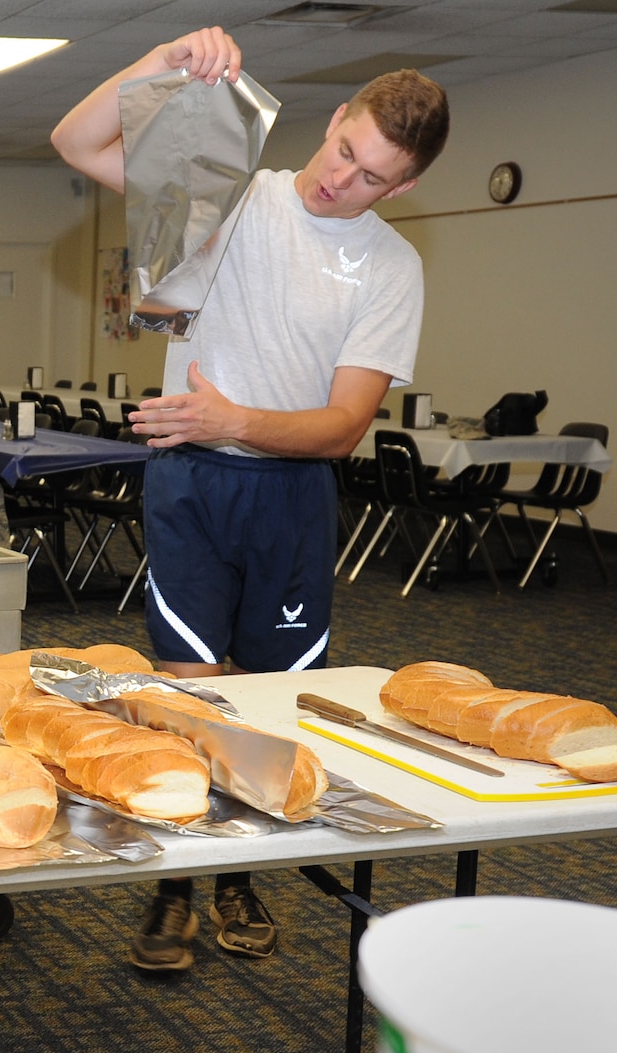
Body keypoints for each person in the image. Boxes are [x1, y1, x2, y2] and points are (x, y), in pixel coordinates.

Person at [52, 28, 448, 970]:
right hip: (190, 482)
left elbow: (343, 425)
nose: (338, 179)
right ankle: (177, 884)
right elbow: (77, 143)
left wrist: (231, 415)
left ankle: (245, 874)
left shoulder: (393, 270)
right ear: (333, 122)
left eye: (369, 176)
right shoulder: (229, 195)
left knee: (270, 702)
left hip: (292, 496)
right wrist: (160, 64)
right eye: (344, 149)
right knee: (189, 693)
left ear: (401, 189)